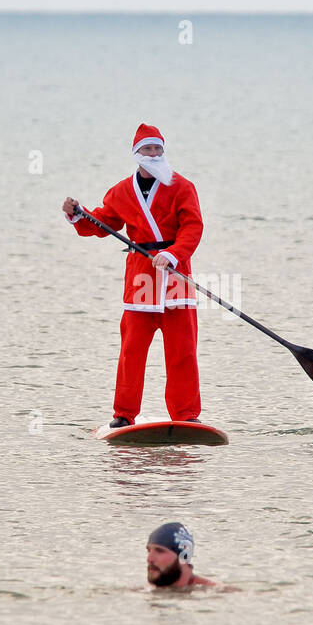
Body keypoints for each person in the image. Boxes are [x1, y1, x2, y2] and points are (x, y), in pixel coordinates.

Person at [62, 125, 203, 430]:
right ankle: (124, 413)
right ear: (136, 154)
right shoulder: (122, 191)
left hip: (176, 275)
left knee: (182, 350)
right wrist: (78, 214)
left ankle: (186, 414)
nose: (153, 154)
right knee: (132, 350)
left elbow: (193, 227)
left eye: (158, 148)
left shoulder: (183, 187)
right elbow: (103, 223)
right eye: (147, 149)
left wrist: (174, 254)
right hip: (141, 278)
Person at [146, 522, 216, 590]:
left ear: (183, 556)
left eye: (160, 551)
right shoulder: (145, 591)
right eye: (149, 551)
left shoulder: (213, 592)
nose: (149, 559)